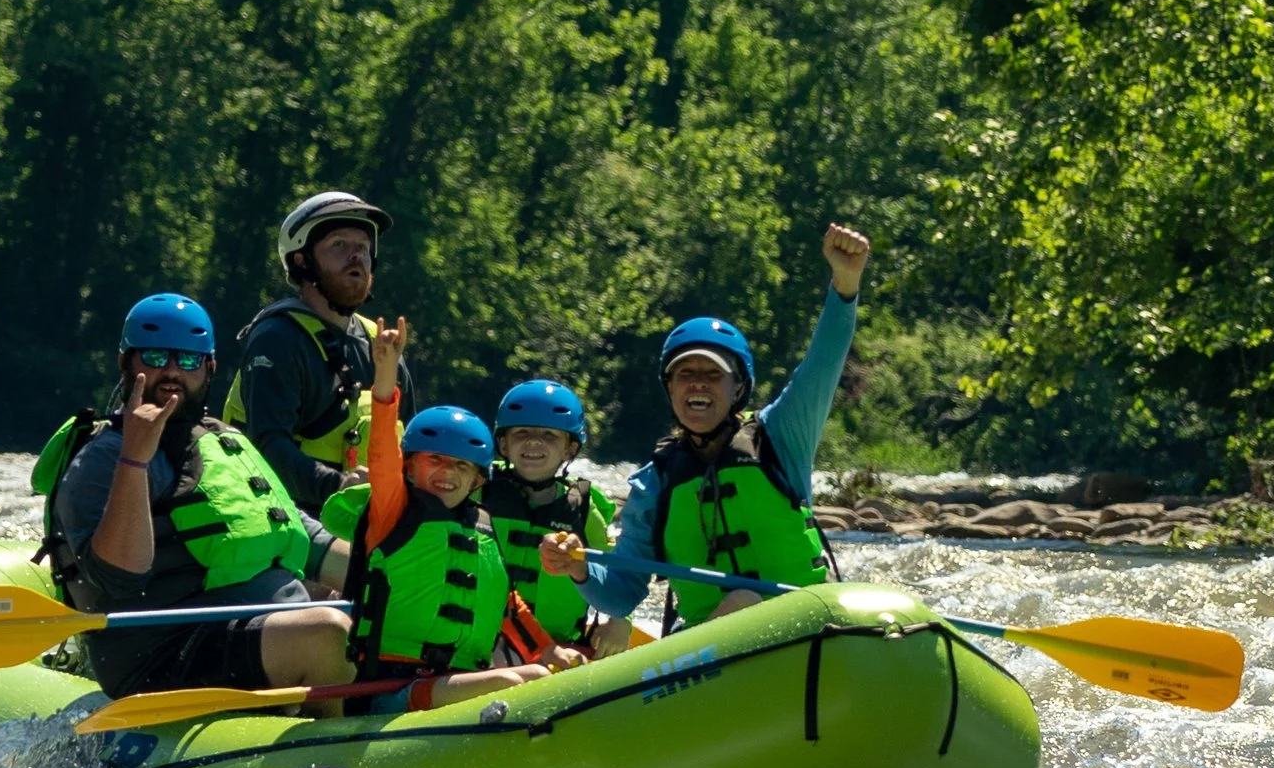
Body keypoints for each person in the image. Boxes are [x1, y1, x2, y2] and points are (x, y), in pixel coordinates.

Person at [540, 224, 873, 629]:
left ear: (738, 389)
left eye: (712, 374)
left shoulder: (780, 437)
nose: (697, 382)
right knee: (743, 600)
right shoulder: (655, 483)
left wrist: (845, 285)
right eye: (685, 373)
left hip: (804, 629)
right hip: (706, 661)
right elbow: (621, 596)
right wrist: (580, 568)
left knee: (748, 599)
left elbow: (822, 366)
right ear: (670, 388)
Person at [31, 293, 356, 705]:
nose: (171, 372)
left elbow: (302, 535)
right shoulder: (100, 460)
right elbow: (118, 576)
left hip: (259, 631)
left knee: (376, 611)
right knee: (328, 633)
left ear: (210, 368)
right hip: (165, 653)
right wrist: (135, 456)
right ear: (125, 364)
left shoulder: (226, 441)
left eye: (187, 361)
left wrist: (391, 578)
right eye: (154, 357)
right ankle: (336, 752)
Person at [318, 321, 558, 712]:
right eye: (435, 460)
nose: (447, 473)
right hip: (386, 688)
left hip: (455, 682)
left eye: (461, 466)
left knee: (536, 676)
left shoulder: (481, 527)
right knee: (508, 680)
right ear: (410, 466)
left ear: (478, 478)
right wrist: (385, 375)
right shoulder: (394, 509)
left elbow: (508, 607)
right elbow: (380, 453)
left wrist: (549, 651)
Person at [226, 191, 410, 509]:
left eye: (363, 248)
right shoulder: (277, 338)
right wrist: (338, 486)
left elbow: (411, 444)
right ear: (301, 260)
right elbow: (268, 445)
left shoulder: (380, 343)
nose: (356, 256)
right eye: (339, 244)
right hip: (282, 511)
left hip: (364, 517)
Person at [481, 381, 629, 659]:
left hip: (560, 646)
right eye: (521, 432)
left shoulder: (584, 510)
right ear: (504, 444)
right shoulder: (477, 493)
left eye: (548, 435)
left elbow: (616, 575)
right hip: (486, 643)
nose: (533, 442)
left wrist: (621, 620)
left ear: (569, 450)